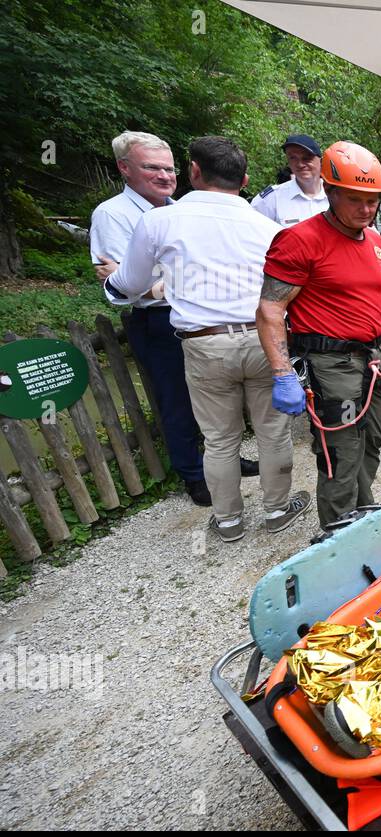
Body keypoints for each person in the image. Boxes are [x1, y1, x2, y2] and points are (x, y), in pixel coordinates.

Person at [105, 136, 309, 542]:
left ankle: (229, 520)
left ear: (193, 171)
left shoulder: (160, 220)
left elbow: (128, 285)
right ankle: (276, 510)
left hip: (204, 343)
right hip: (264, 339)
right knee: (273, 431)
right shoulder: (268, 227)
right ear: (245, 179)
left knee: (218, 438)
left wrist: (113, 281)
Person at [255, 141, 381, 528]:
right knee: (340, 454)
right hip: (330, 363)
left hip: (374, 360)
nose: (366, 210)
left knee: (370, 446)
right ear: (330, 192)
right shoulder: (299, 240)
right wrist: (283, 373)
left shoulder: (378, 243)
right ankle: (337, 536)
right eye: (355, 200)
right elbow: (270, 308)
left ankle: (362, 516)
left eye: (373, 201)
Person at [91, 131, 218, 507]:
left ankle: (218, 461)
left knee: (208, 396)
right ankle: (194, 476)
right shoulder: (112, 214)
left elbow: (200, 266)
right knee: (176, 399)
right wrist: (164, 282)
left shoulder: (177, 209)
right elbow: (124, 287)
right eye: (152, 168)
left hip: (197, 313)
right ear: (125, 169)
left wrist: (161, 279)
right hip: (160, 323)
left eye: (168, 168)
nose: (164, 176)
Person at [252, 135, 329, 227]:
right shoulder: (272, 198)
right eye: (293, 158)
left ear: (320, 160)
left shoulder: (336, 195)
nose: (300, 164)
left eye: (306, 158)